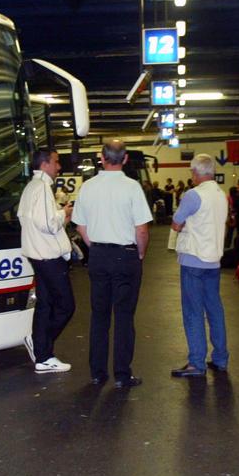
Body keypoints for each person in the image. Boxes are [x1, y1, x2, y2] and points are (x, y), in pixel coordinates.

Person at [72, 140, 153, 389]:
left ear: (101, 157)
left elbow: (80, 226)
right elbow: (141, 229)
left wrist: (94, 246)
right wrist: (139, 254)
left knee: (99, 316)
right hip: (126, 256)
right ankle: (121, 374)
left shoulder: (88, 187)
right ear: (125, 158)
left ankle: (97, 373)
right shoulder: (132, 187)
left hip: (98, 256)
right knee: (124, 316)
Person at [170, 154, 229, 378]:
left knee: (193, 312)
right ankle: (220, 357)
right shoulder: (221, 195)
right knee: (215, 310)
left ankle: (197, 362)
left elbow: (176, 223)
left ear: (195, 173)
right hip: (213, 260)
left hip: (194, 259)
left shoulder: (193, 195)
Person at [17, 148, 74, 374]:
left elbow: (30, 221)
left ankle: (42, 356)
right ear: (45, 164)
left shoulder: (30, 188)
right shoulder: (42, 188)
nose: (59, 167)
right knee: (67, 306)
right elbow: (48, 224)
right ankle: (42, 347)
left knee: (45, 305)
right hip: (49, 257)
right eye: (56, 162)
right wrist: (64, 213)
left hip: (36, 255)